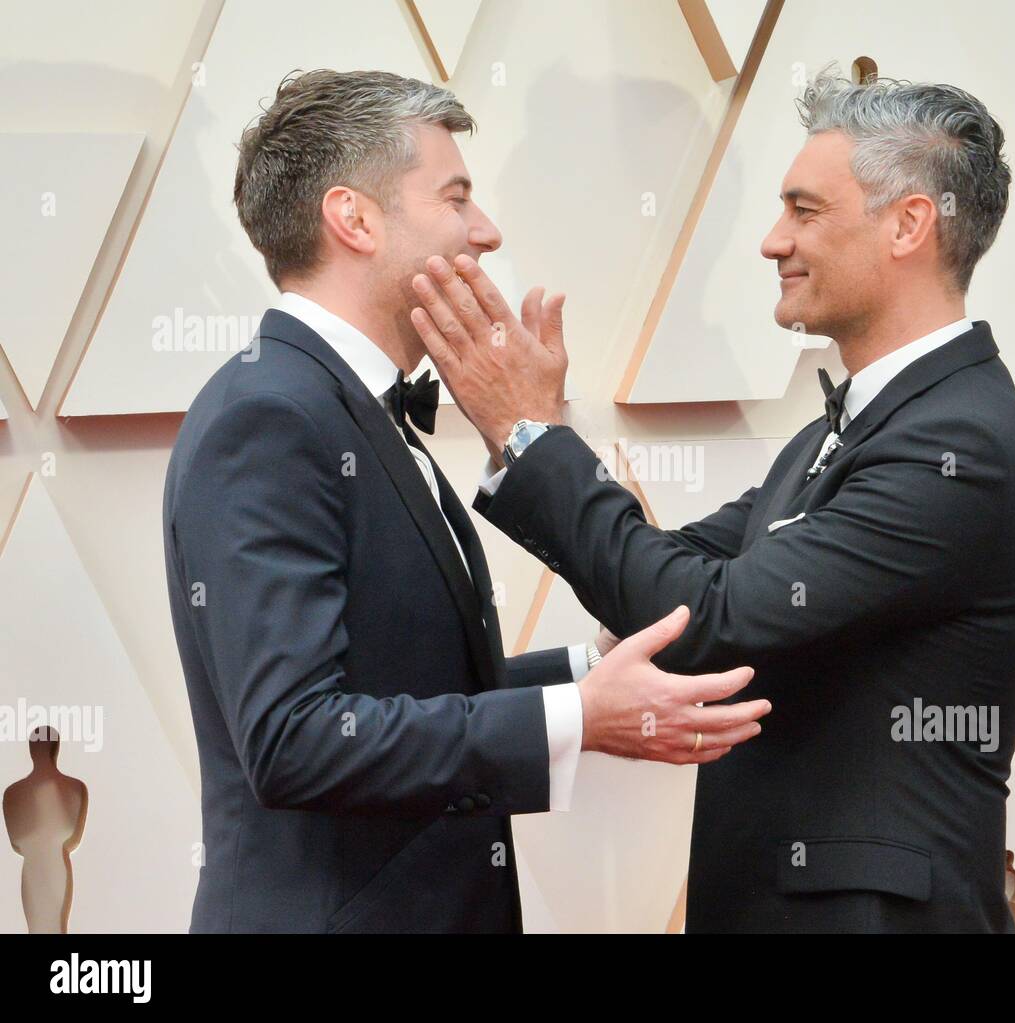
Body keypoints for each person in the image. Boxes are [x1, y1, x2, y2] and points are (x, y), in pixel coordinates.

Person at [411, 68, 1015, 933]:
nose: (771, 240)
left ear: (909, 225)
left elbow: (707, 617)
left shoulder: (958, 445)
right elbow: (670, 579)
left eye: (805, 210)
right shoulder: (849, 430)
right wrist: (538, 434)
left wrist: (532, 438)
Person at [162, 69, 769, 934]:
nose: (485, 230)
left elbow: (400, 686)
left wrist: (582, 675)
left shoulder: (339, 402)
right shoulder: (270, 415)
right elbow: (294, 736)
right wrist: (575, 719)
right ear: (355, 218)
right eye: (455, 198)